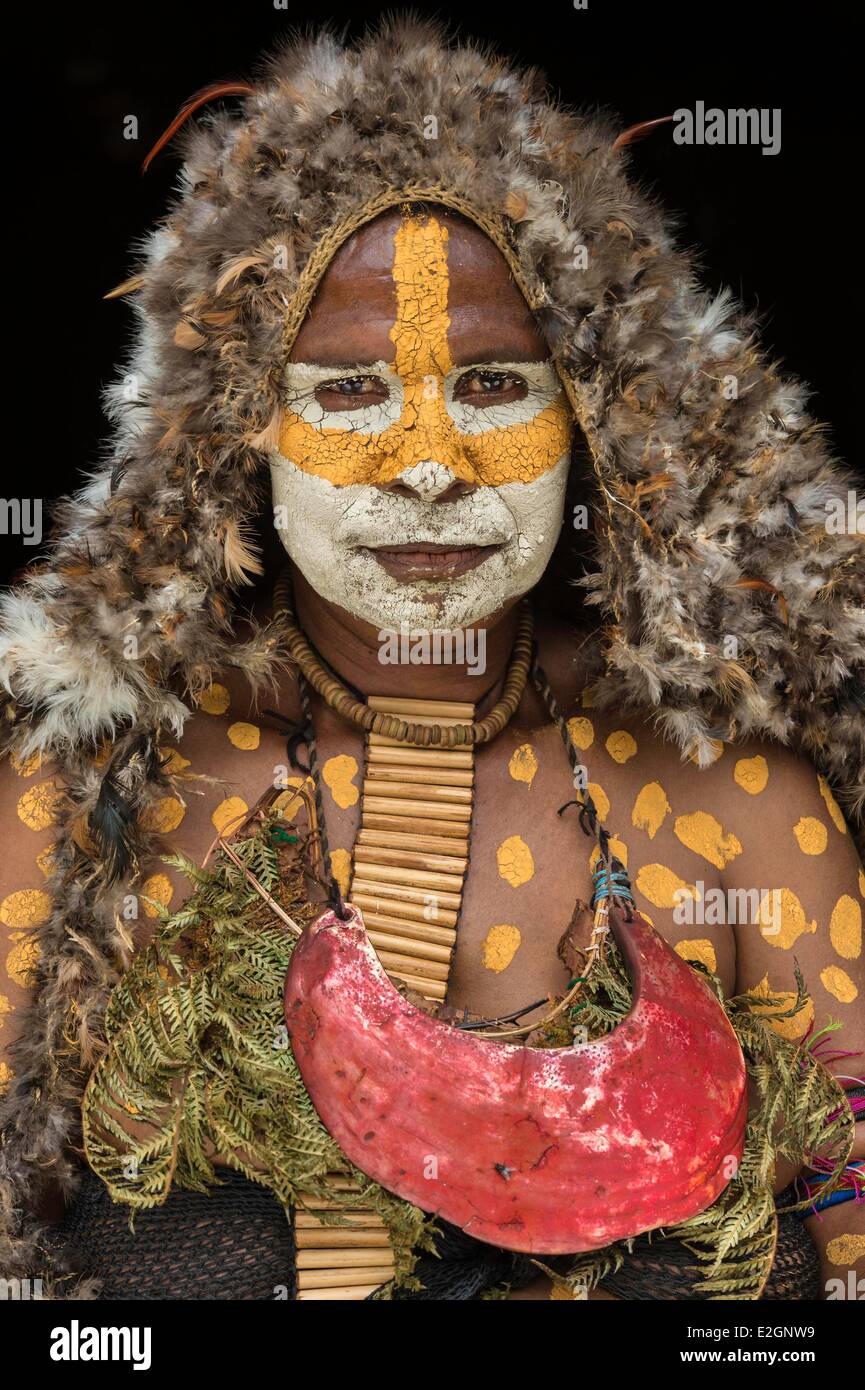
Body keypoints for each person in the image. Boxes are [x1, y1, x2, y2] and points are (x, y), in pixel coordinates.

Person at [1, 19, 862, 1300]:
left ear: (599, 420)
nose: (423, 459)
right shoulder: (86, 807)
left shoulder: (732, 802)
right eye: (346, 393)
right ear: (237, 431)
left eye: (496, 387)